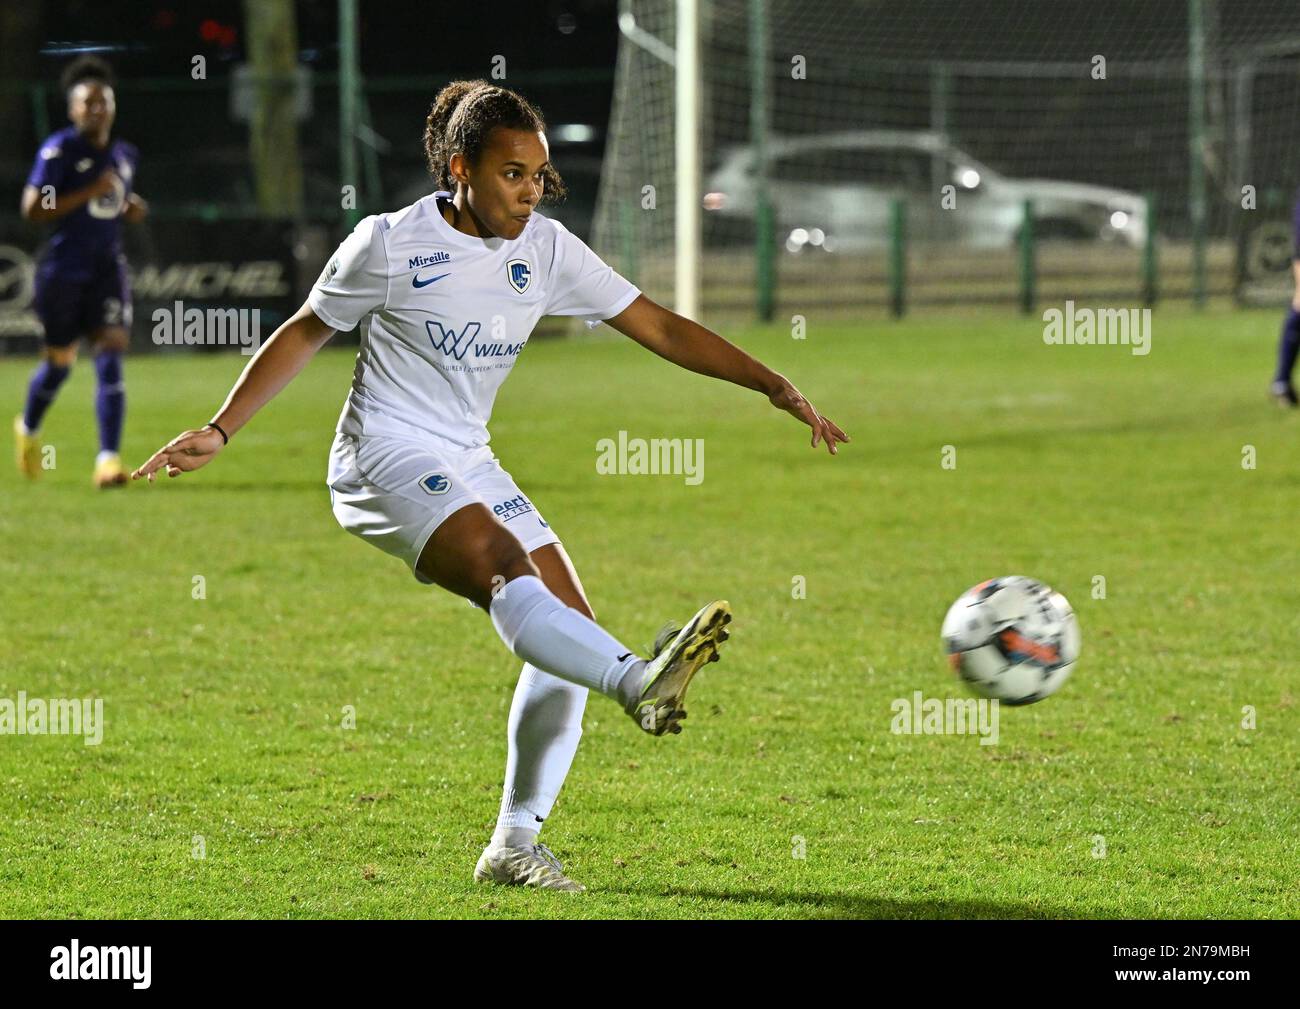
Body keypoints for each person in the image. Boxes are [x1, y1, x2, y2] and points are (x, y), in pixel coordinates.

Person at [132, 80, 848, 891]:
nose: (530, 190)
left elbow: (656, 324)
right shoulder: (390, 243)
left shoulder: (544, 249)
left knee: (567, 620)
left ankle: (514, 843)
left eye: (539, 174)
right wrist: (222, 427)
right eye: (513, 173)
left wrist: (770, 382)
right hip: (382, 454)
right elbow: (306, 328)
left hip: (467, 454)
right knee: (508, 563)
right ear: (459, 167)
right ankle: (634, 680)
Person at [16, 55, 147, 487]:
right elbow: (36, 208)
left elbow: (113, 200)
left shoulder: (125, 154)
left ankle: (108, 461)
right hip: (63, 271)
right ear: (73, 110)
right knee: (59, 364)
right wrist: (89, 190)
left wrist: (128, 206)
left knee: (110, 353)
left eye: (102, 101)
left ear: (113, 106)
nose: (96, 109)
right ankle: (29, 428)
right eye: (87, 103)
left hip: (107, 267)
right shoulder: (59, 152)